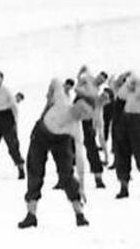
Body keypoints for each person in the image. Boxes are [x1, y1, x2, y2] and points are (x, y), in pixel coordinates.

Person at [17, 77, 94, 229]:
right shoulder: (61, 100)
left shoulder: (75, 128)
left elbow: (80, 158)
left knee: (67, 176)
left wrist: (82, 186)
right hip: (41, 134)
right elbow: (55, 81)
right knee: (35, 171)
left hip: (61, 141)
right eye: (82, 110)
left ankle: (79, 214)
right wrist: (48, 98)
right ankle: (31, 215)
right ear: (77, 104)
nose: (81, 115)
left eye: (85, 115)